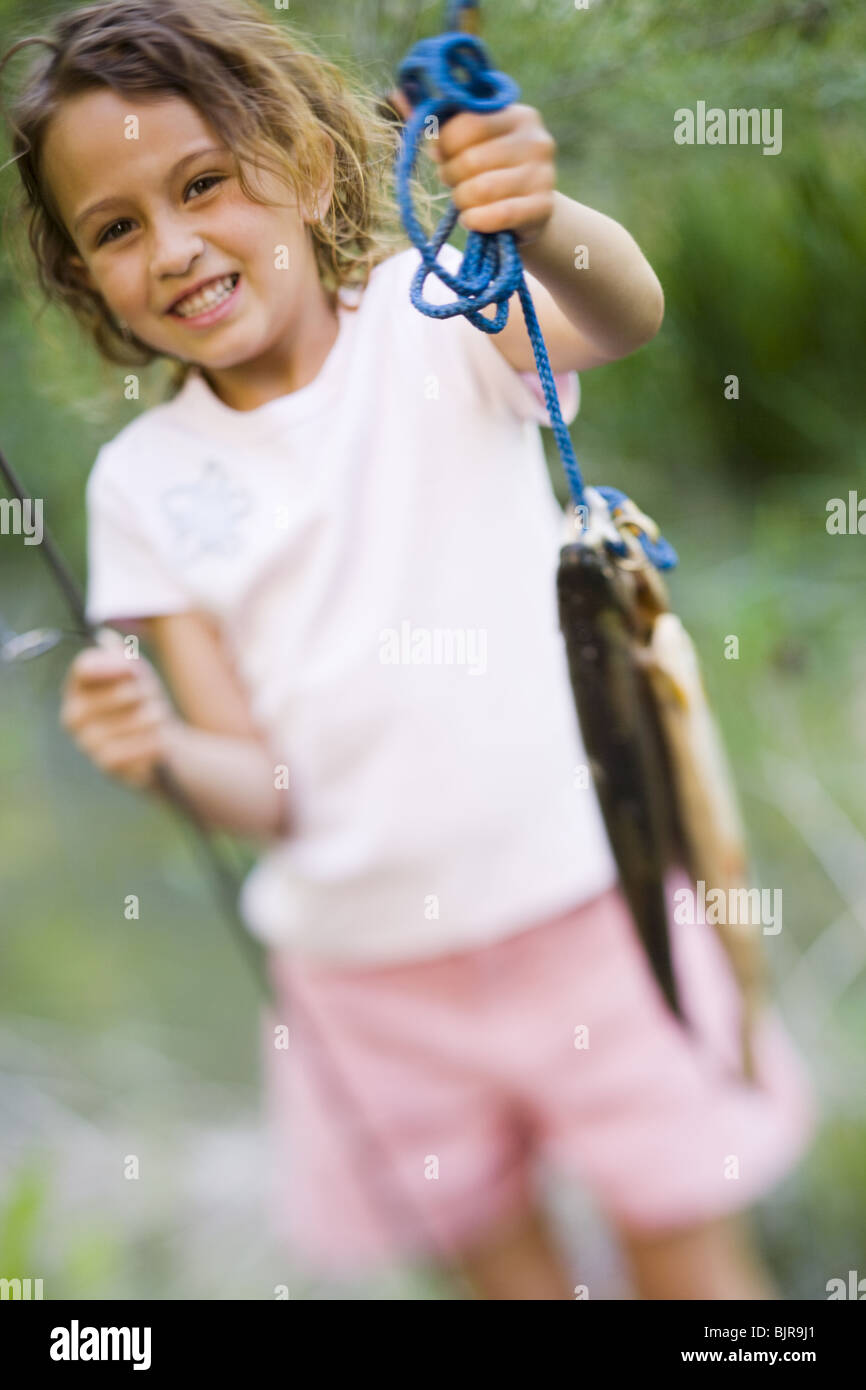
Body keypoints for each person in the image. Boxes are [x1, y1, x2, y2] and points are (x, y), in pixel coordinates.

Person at [2, 0, 817, 1298]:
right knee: (504, 1277)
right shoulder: (139, 485)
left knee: (690, 1262)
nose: (172, 246)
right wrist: (158, 753)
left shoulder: (436, 312)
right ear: (84, 275)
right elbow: (263, 793)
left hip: (588, 909)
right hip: (361, 978)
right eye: (115, 227)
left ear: (309, 164)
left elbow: (618, 315)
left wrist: (535, 216)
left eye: (201, 183)